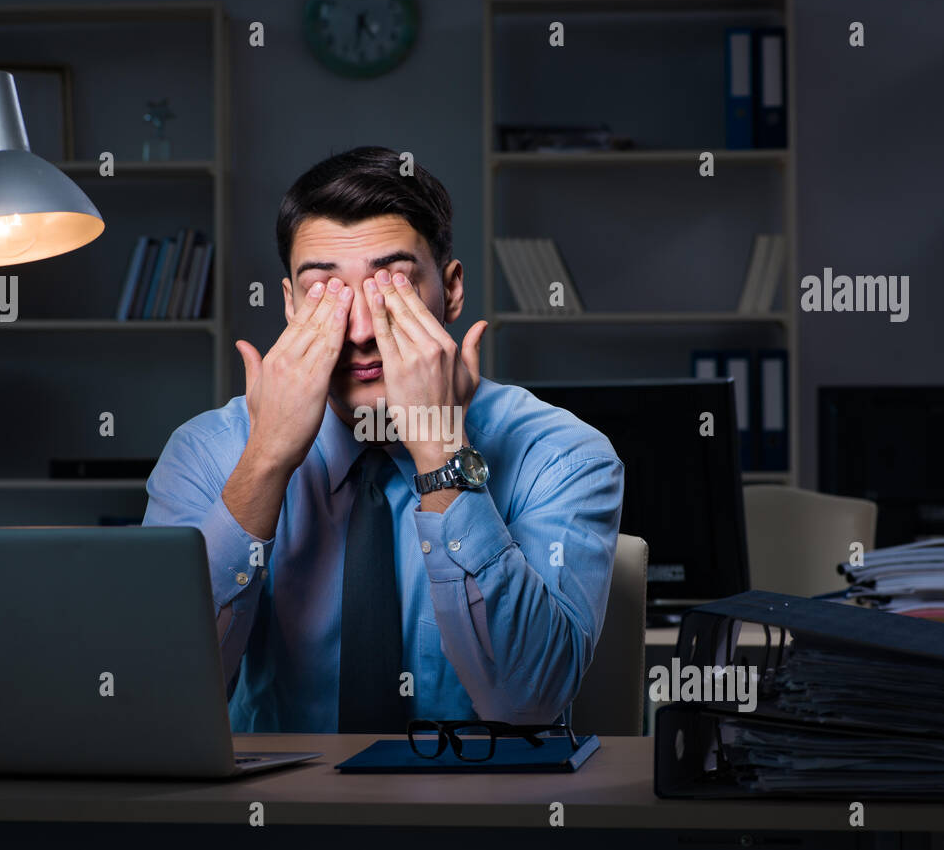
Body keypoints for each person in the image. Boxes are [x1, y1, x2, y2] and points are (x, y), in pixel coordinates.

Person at [144, 146, 623, 733]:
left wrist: (439, 447)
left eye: (391, 287)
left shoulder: (561, 454)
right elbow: (161, 699)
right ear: (290, 305)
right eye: (325, 294)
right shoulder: (206, 451)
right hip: (272, 816)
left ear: (450, 290)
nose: (363, 332)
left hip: (481, 816)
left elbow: (528, 701)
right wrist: (266, 460)